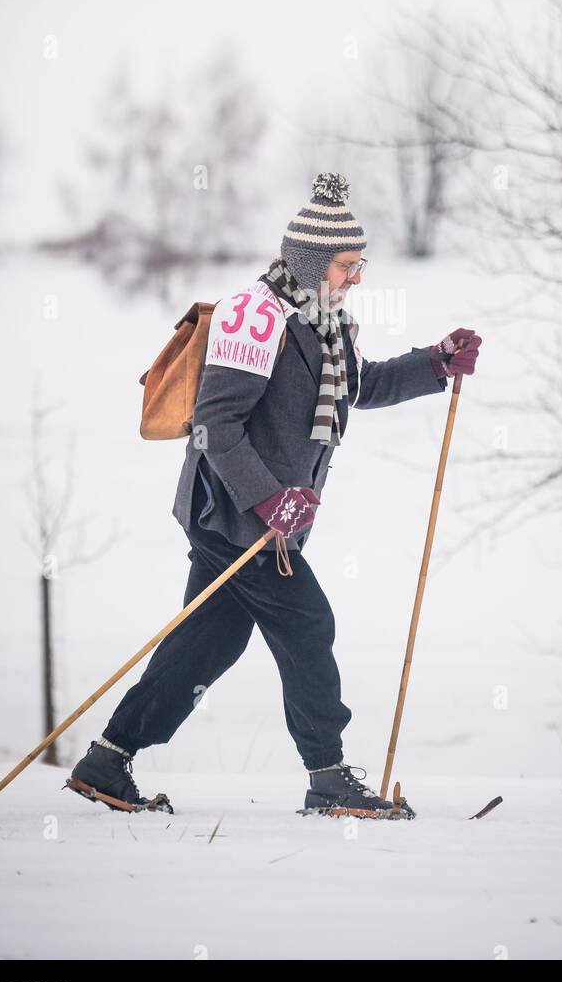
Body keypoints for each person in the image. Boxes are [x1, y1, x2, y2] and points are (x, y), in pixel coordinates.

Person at [66, 171, 481, 819]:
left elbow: (360, 387)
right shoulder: (256, 318)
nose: (357, 278)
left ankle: (107, 760)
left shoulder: (326, 322)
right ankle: (328, 779)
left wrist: (434, 362)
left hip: (263, 520)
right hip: (234, 516)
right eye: (349, 266)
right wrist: (269, 502)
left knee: (207, 642)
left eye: (360, 264)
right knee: (308, 623)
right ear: (315, 263)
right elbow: (215, 425)